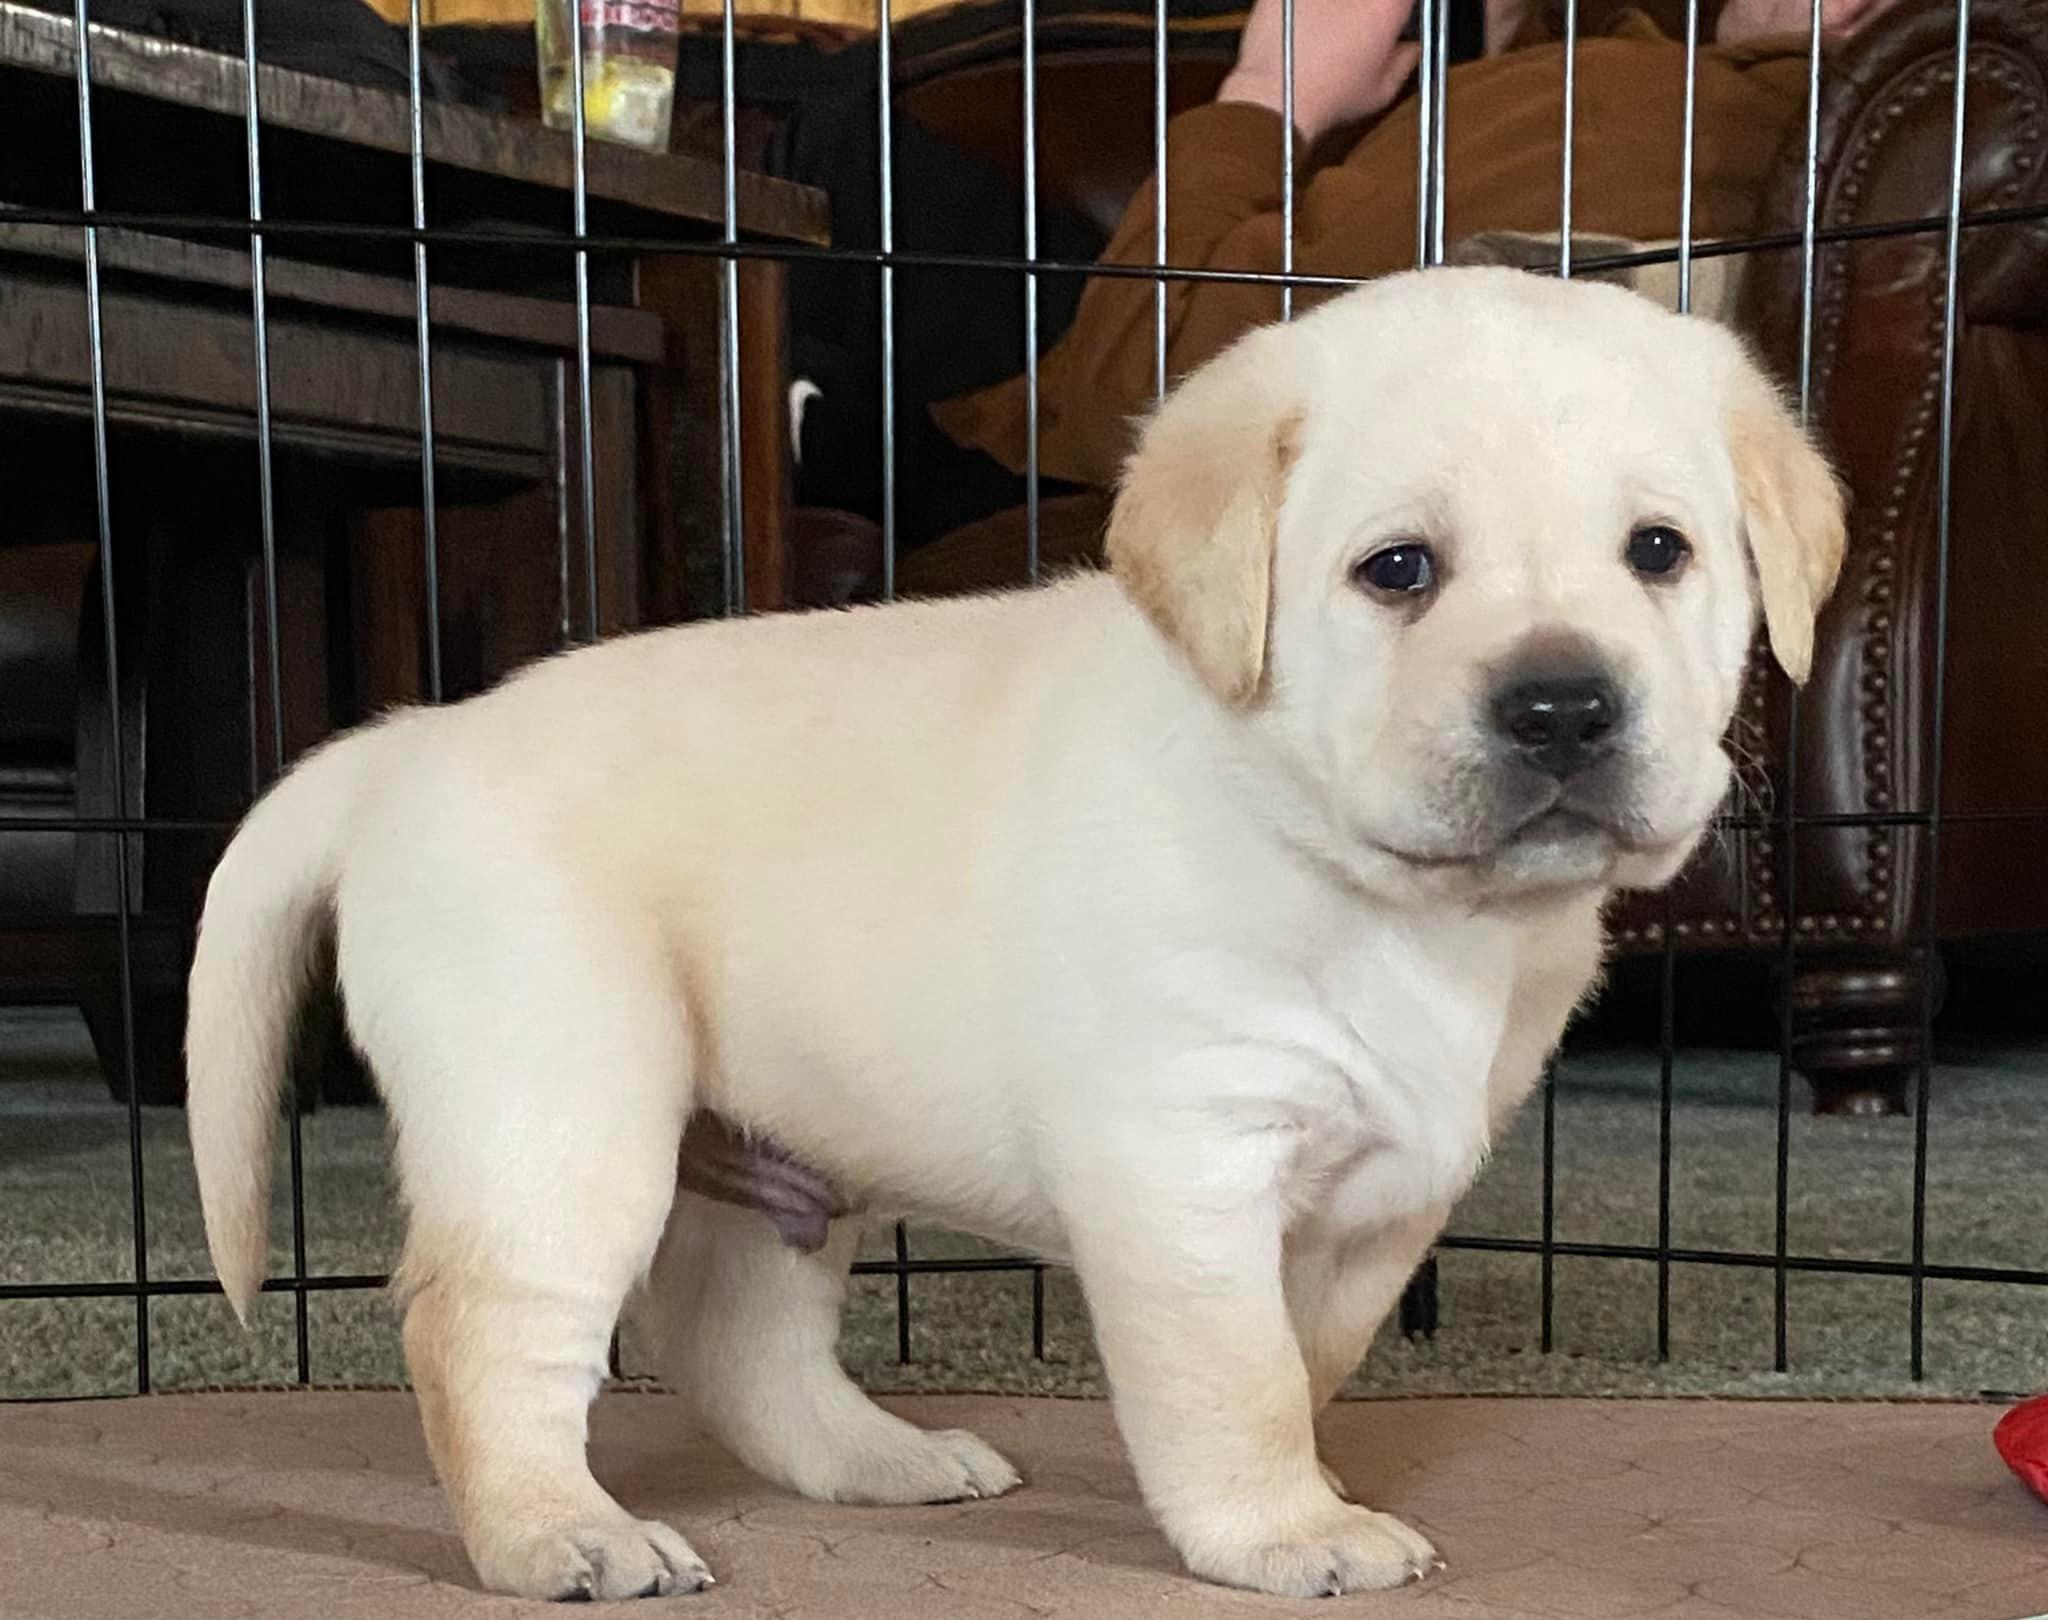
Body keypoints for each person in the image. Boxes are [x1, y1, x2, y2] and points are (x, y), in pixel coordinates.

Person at [931, 0, 1907, 494]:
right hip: (1042, 379)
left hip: (1035, 438)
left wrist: (1275, 87)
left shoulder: (1661, 110)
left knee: (873, 150)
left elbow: (1136, 407)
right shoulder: (1655, 85)